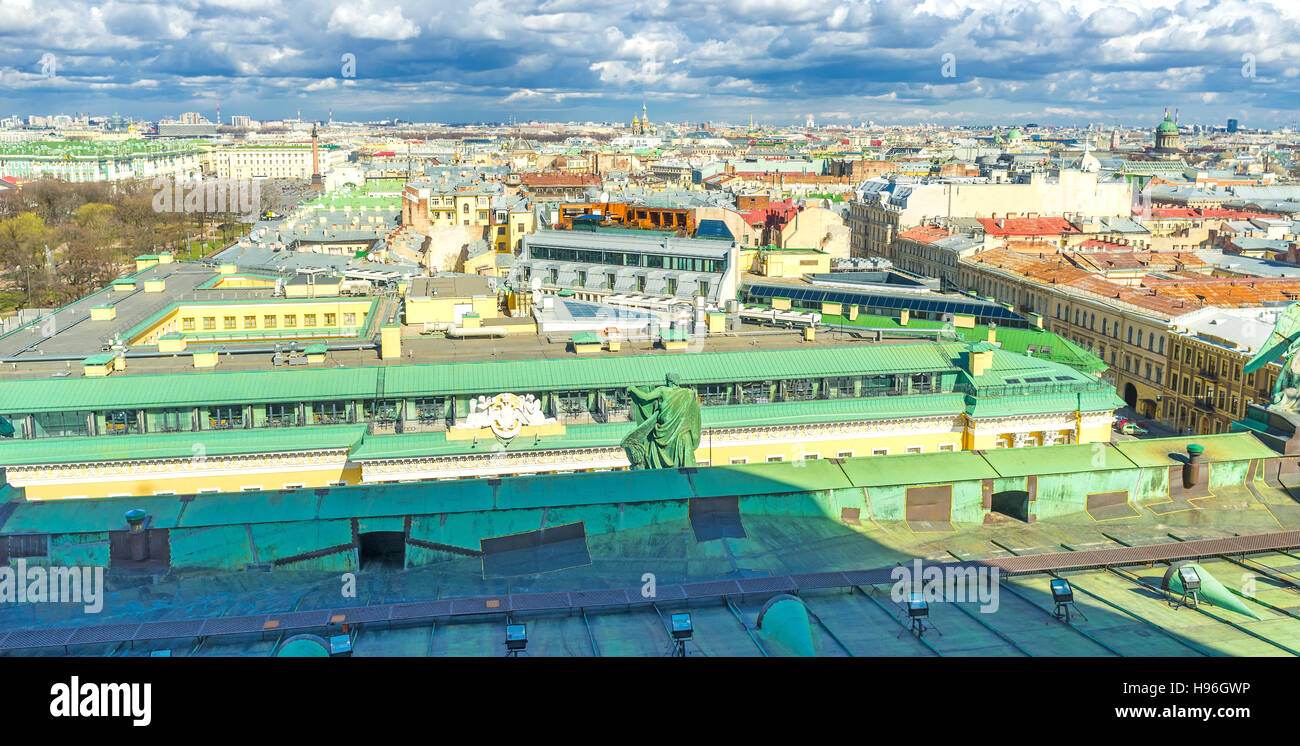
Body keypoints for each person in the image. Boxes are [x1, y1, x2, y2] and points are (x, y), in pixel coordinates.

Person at [621, 372, 702, 469]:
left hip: (664, 431)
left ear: (669, 381)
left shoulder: (663, 390)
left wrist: (633, 389)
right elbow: (694, 412)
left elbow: (646, 397)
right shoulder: (687, 393)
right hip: (681, 432)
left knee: (650, 444)